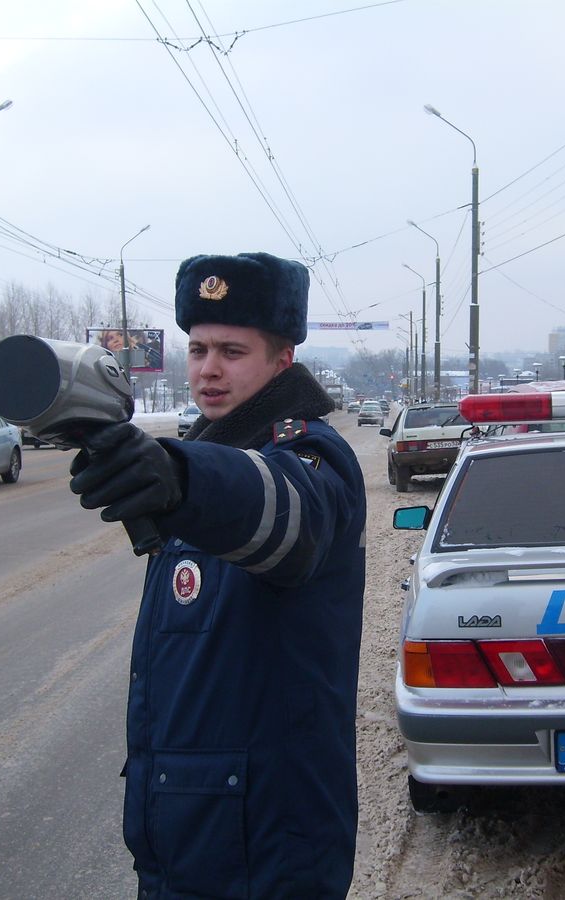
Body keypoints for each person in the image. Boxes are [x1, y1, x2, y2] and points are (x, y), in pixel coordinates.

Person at [69, 252, 367, 898]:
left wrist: (181, 478)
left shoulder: (312, 455)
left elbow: (288, 516)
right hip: (191, 843)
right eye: (198, 348)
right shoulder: (207, 452)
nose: (208, 368)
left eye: (232, 351)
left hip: (268, 852)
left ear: (283, 359)